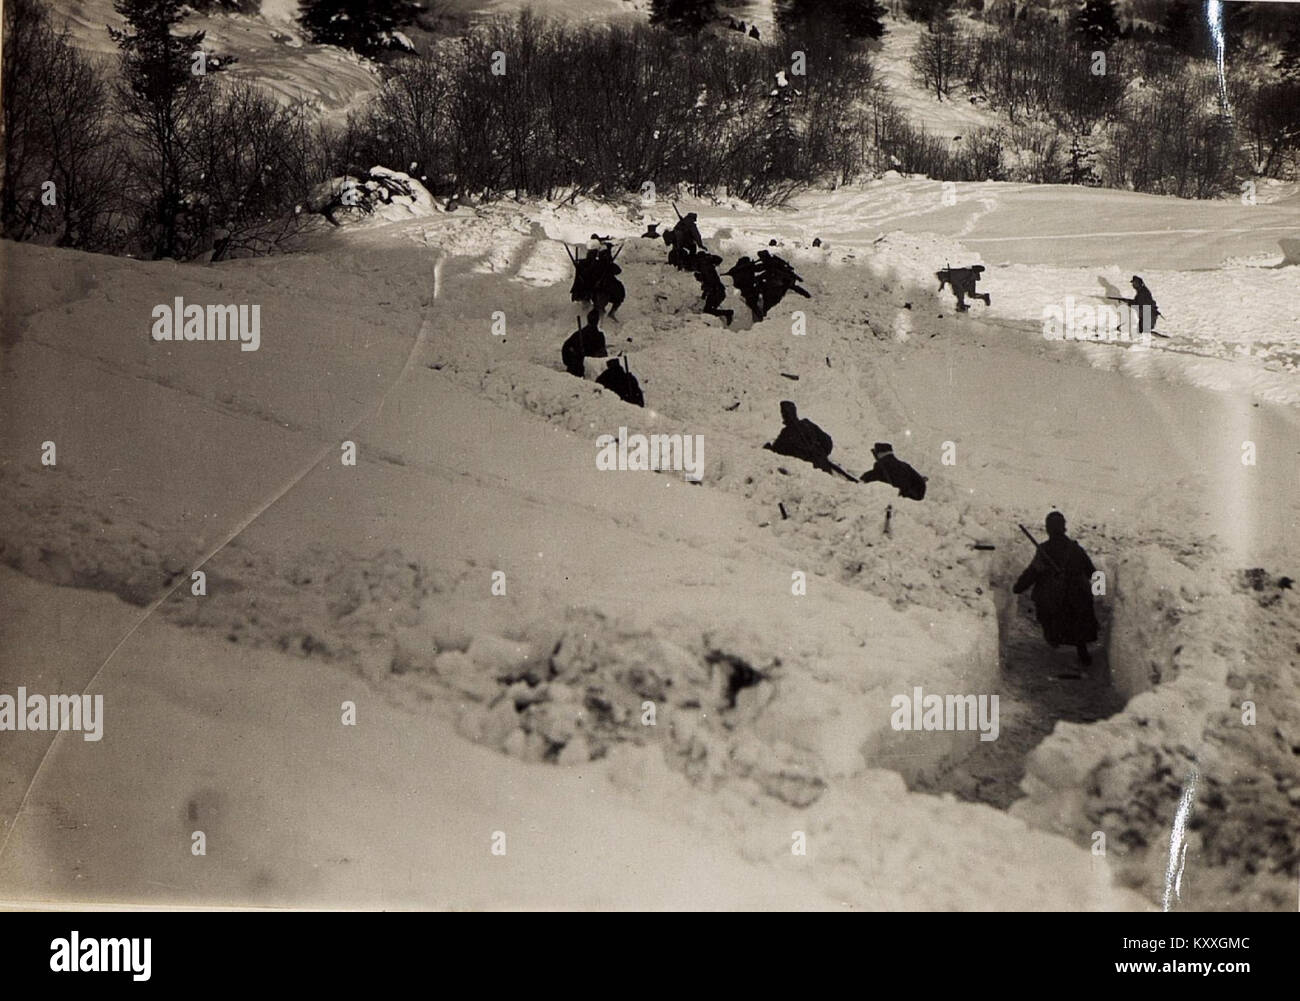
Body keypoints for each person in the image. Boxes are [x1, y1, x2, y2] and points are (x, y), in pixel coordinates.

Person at [1013, 511, 1100, 666]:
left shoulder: (1044, 549)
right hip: (1078, 598)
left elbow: (1033, 572)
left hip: (1054, 599)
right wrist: (1100, 593)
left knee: (1044, 600)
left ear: (1048, 529)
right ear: (1064, 527)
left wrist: (1019, 587)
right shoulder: (1075, 549)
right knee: (1078, 617)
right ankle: (1081, 649)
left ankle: (1053, 639)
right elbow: (1092, 572)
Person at [763, 401, 851, 479]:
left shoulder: (786, 434)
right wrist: (822, 454)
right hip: (824, 466)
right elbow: (827, 442)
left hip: (810, 473)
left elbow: (776, 451)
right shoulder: (807, 424)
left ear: (783, 415)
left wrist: (768, 447)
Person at [859, 442, 927, 501]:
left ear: (880, 454)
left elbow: (876, 474)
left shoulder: (887, 464)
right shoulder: (898, 464)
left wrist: (862, 479)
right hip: (917, 493)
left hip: (914, 495)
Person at [561, 308, 607, 377]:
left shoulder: (580, 333)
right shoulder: (598, 336)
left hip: (587, 368)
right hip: (580, 369)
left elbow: (565, 348)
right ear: (597, 321)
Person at [693, 253, 734, 325]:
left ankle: (728, 313)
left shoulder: (705, 268)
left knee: (708, 310)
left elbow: (711, 282)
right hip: (717, 291)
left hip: (716, 292)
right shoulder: (707, 266)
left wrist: (706, 290)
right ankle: (724, 315)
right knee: (709, 310)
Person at [724, 256, 765, 322]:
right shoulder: (749, 267)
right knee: (754, 306)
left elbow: (728, 274)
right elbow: (760, 268)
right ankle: (759, 319)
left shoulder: (736, 269)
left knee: (751, 306)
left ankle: (757, 319)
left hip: (741, 291)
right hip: (750, 291)